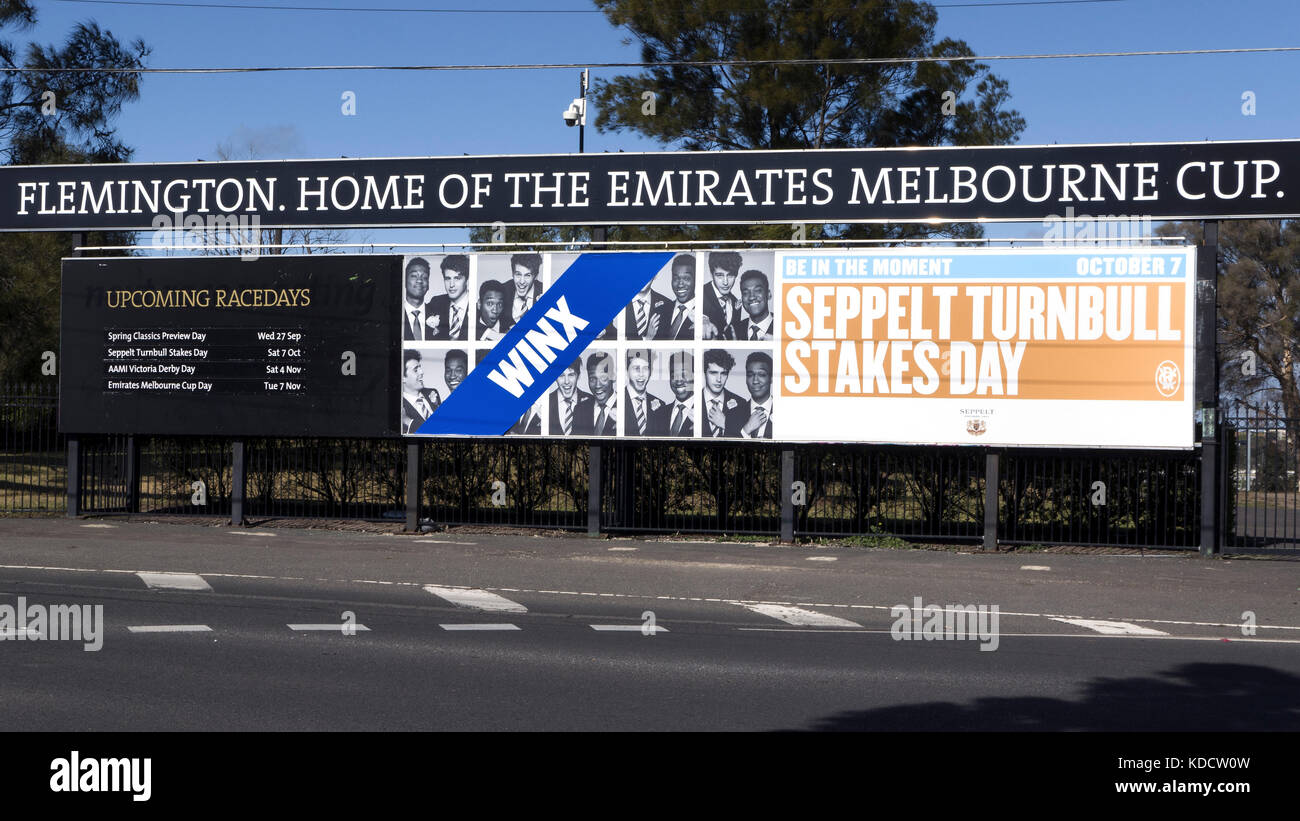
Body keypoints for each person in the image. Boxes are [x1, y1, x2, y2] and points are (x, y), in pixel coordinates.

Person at [701, 349, 749, 438]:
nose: (719, 379)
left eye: (723, 373)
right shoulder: (692, 401)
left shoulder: (741, 404)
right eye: (713, 373)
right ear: (704, 373)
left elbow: (745, 441)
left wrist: (725, 424)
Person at [649, 351, 694, 437]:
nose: (679, 380)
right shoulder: (660, 414)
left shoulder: (704, 412)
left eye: (684, 374)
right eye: (674, 375)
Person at [651, 253, 696, 340]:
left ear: (696, 279)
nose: (680, 284)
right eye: (676, 278)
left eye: (686, 278)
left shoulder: (704, 312)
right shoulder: (660, 311)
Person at [427, 254, 470, 341]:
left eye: (457, 278)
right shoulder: (436, 303)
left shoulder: (477, 305)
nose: (451, 285)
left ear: (467, 280)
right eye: (447, 279)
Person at [622, 350, 666, 437]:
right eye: (636, 368)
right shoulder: (616, 400)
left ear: (651, 371)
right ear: (627, 370)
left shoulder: (661, 405)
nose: (641, 374)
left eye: (645, 368)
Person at [574, 351, 617, 436]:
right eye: (592, 379)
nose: (597, 385)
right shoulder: (580, 409)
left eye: (603, 378)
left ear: (613, 376)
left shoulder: (626, 407)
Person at [701, 251, 741, 341]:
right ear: (712, 274)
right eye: (720, 275)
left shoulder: (735, 302)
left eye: (730, 275)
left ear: (736, 275)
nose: (725, 282)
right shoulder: (698, 293)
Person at [548, 358, 593, 436]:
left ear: (578, 376)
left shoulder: (592, 401)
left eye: (571, 375)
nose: (566, 381)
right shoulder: (545, 402)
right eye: (561, 375)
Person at [400, 349, 440, 434]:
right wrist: (407, 421)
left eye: (420, 367)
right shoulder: (400, 407)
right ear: (403, 378)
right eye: (415, 370)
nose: (422, 372)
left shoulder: (433, 393)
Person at [737, 351, 774, 439]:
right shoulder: (733, 415)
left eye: (761, 375)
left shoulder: (786, 412)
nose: (755, 381)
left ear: (771, 378)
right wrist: (746, 430)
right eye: (750, 375)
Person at [730, 269, 775, 341]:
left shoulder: (784, 328)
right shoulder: (734, 330)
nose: (751, 297)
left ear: (768, 294)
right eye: (745, 293)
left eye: (757, 290)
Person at [402, 257, 433, 341]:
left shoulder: (437, 313)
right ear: (404, 281)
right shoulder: (394, 313)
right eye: (414, 276)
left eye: (425, 277)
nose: (419, 280)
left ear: (428, 284)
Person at [509, 253, 543, 323]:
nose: (522, 281)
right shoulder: (502, 291)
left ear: (535, 276)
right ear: (512, 274)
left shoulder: (545, 291)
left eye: (527, 275)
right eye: (518, 274)